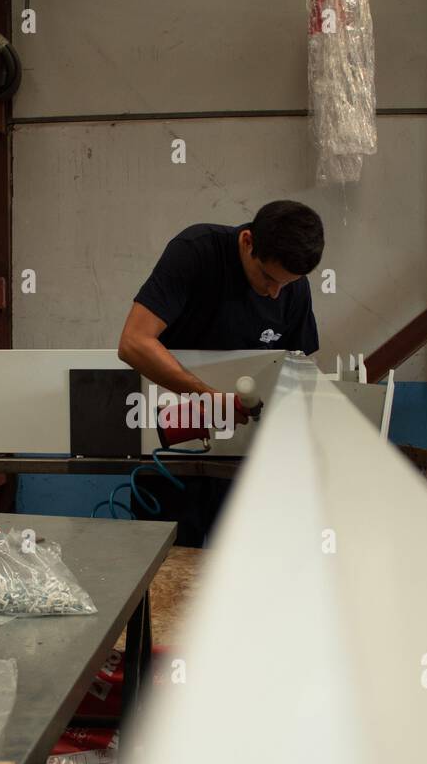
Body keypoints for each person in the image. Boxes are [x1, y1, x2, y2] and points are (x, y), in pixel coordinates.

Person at [116, 200, 324, 545]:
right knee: (168, 570)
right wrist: (209, 397)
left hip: (244, 462)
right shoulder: (196, 252)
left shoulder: (292, 288)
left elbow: (302, 371)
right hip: (171, 451)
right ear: (247, 242)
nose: (275, 293)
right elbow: (133, 343)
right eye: (268, 278)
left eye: (286, 285)